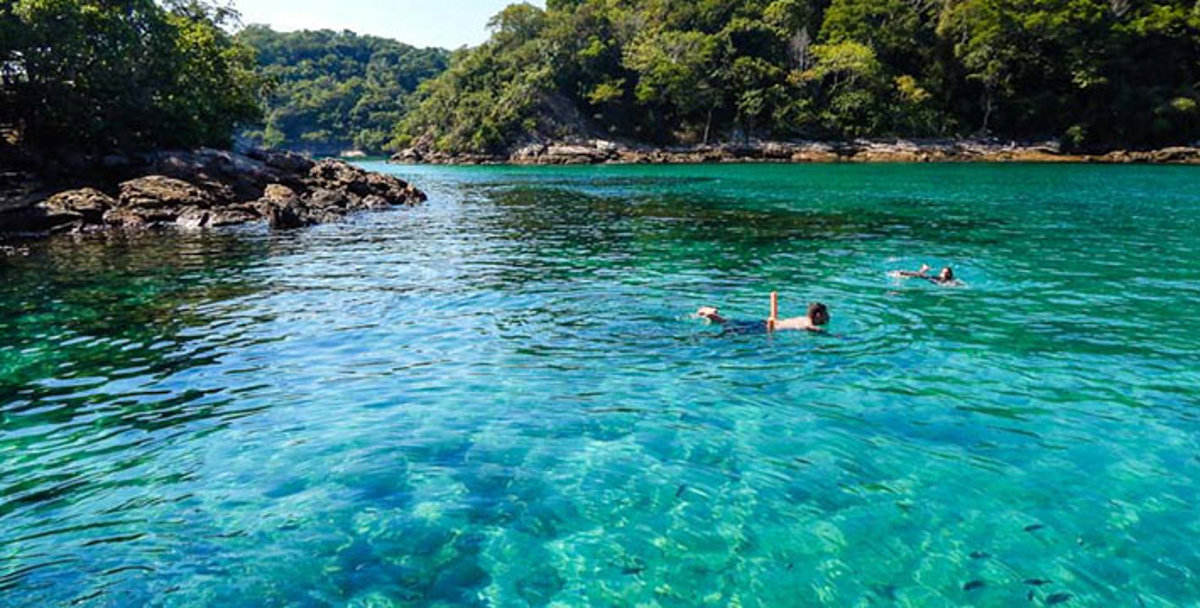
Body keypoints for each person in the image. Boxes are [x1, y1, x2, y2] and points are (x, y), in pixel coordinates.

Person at [695, 299, 830, 333]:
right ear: (818, 315)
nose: (828, 317)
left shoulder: (803, 318)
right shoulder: (809, 325)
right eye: (825, 314)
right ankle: (712, 316)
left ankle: (712, 315)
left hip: (766, 323)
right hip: (766, 329)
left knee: (731, 323)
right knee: (732, 330)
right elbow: (822, 333)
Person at [895, 264, 960, 286]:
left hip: (937, 281)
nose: (943, 273)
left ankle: (925, 268)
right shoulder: (938, 278)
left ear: (949, 274)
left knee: (920, 275)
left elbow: (959, 283)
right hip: (935, 279)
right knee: (919, 275)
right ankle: (902, 273)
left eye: (945, 272)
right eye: (943, 272)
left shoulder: (952, 279)